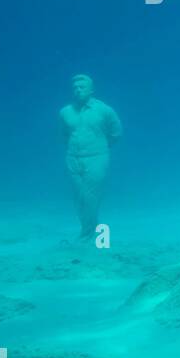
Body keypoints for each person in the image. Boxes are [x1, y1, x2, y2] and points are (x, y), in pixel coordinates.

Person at [60, 74, 122, 239]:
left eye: (82, 87)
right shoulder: (65, 112)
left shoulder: (104, 110)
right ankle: (88, 229)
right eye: (75, 87)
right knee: (79, 196)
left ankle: (87, 235)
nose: (78, 90)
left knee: (90, 195)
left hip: (97, 157)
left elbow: (116, 132)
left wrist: (100, 147)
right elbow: (64, 134)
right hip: (73, 158)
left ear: (91, 90)